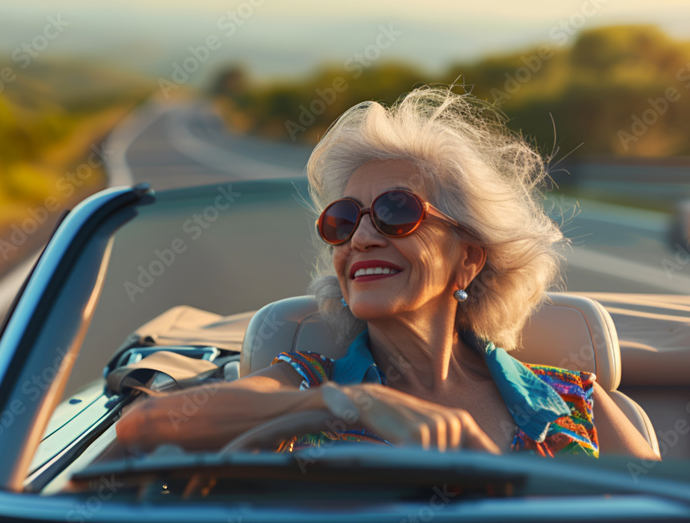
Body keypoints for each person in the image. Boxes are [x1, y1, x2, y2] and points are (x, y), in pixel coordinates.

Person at [116, 87, 660, 460]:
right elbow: (147, 426)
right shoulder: (310, 381)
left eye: (398, 212)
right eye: (343, 219)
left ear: (469, 256)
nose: (361, 237)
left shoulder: (574, 402)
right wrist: (349, 402)